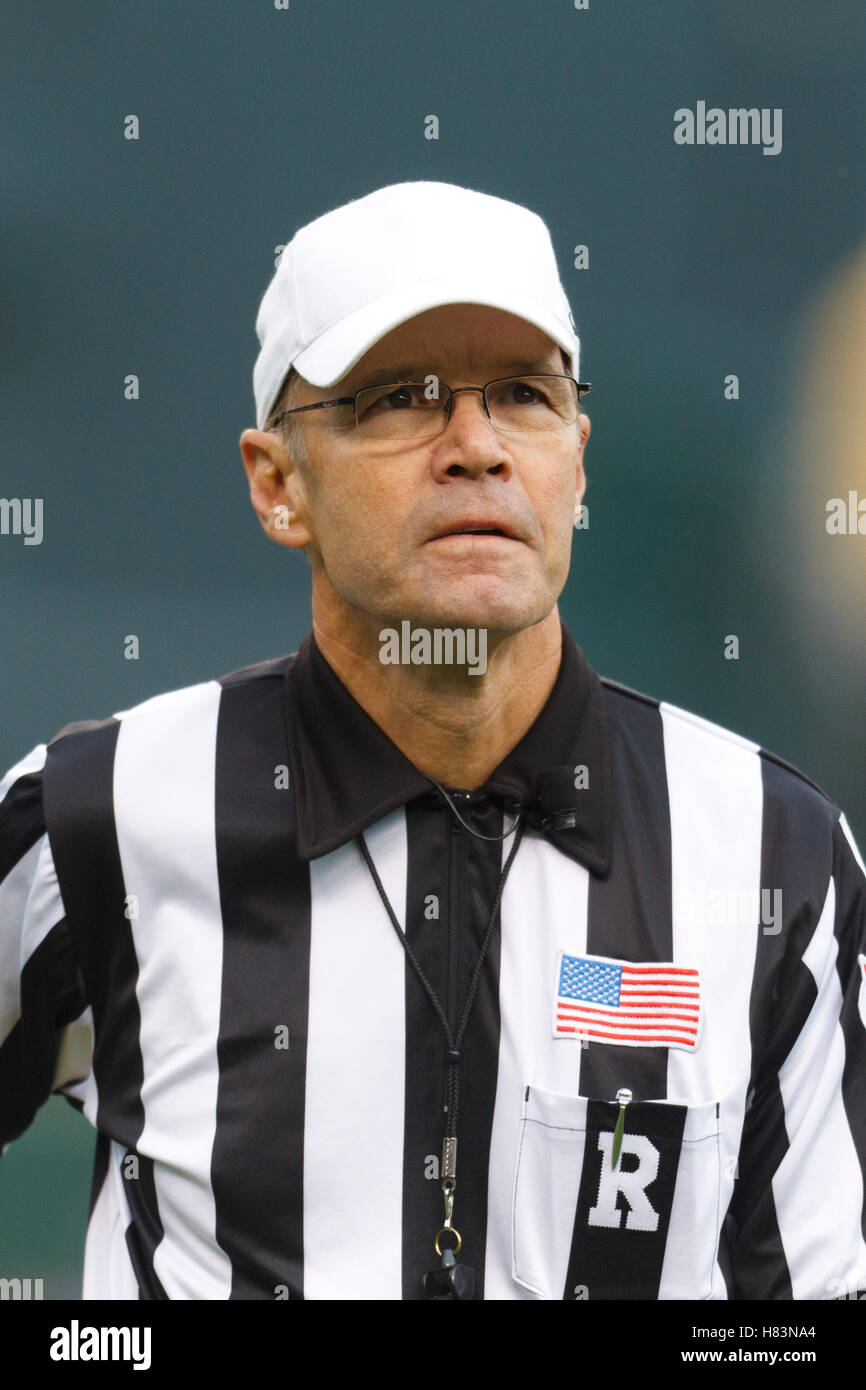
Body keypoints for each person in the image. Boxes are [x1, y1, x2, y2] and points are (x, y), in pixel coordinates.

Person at [1, 180, 864, 1301]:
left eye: (522, 395)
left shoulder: (771, 853)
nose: (475, 446)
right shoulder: (97, 819)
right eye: (399, 399)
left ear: (576, 460)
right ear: (277, 482)